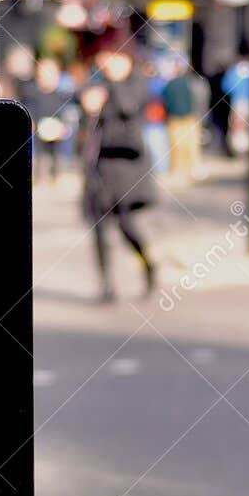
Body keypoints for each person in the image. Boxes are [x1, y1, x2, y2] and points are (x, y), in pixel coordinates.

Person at [80, 31, 157, 303]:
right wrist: (88, 106)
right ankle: (106, 284)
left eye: (110, 57)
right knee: (99, 227)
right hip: (100, 167)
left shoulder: (136, 82)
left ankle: (148, 265)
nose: (104, 63)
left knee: (127, 226)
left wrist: (114, 82)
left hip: (126, 168)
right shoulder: (99, 82)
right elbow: (85, 113)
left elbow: (128, 107)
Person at [163, 59, 207, 183]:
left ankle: (177, 171)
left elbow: (165, 100)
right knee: (192, 146)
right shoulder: (191, 83)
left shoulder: (169, 84)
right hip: (190, 117)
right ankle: (193, 169)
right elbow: (198, 100)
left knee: (176, 146)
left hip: (174, 119)